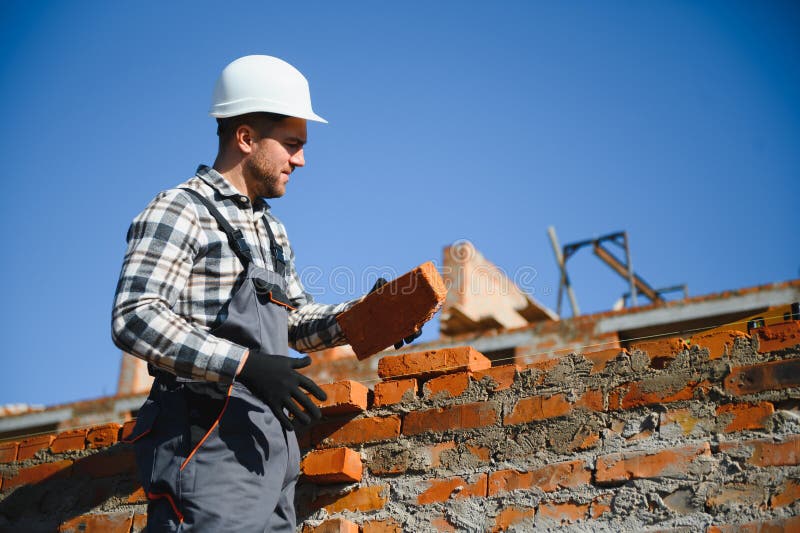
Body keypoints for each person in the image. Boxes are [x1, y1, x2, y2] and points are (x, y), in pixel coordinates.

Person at [111, 55, 416, 532]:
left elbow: (293, 322)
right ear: (246, 137)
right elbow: (135, 317)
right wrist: (247, 365)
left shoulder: (270, 229)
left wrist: (365, 316)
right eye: (292, 144)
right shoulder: (179, 209)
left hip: (269, 449)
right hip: (205, 438)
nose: (301, 160)